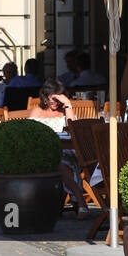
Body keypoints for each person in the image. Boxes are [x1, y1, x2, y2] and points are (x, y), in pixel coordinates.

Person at [27, 80, 91, 218]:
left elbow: (73, 129)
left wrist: (68, 105)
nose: (56, 102)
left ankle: (79, 202)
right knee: (58, 162)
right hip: (43, 152)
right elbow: (30, 133)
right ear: (45, 97)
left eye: (59, 98)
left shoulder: (64, 111)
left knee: (60, 161)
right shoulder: (37, 111)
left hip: (67, 151)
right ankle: (80, 201)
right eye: (53, 98)